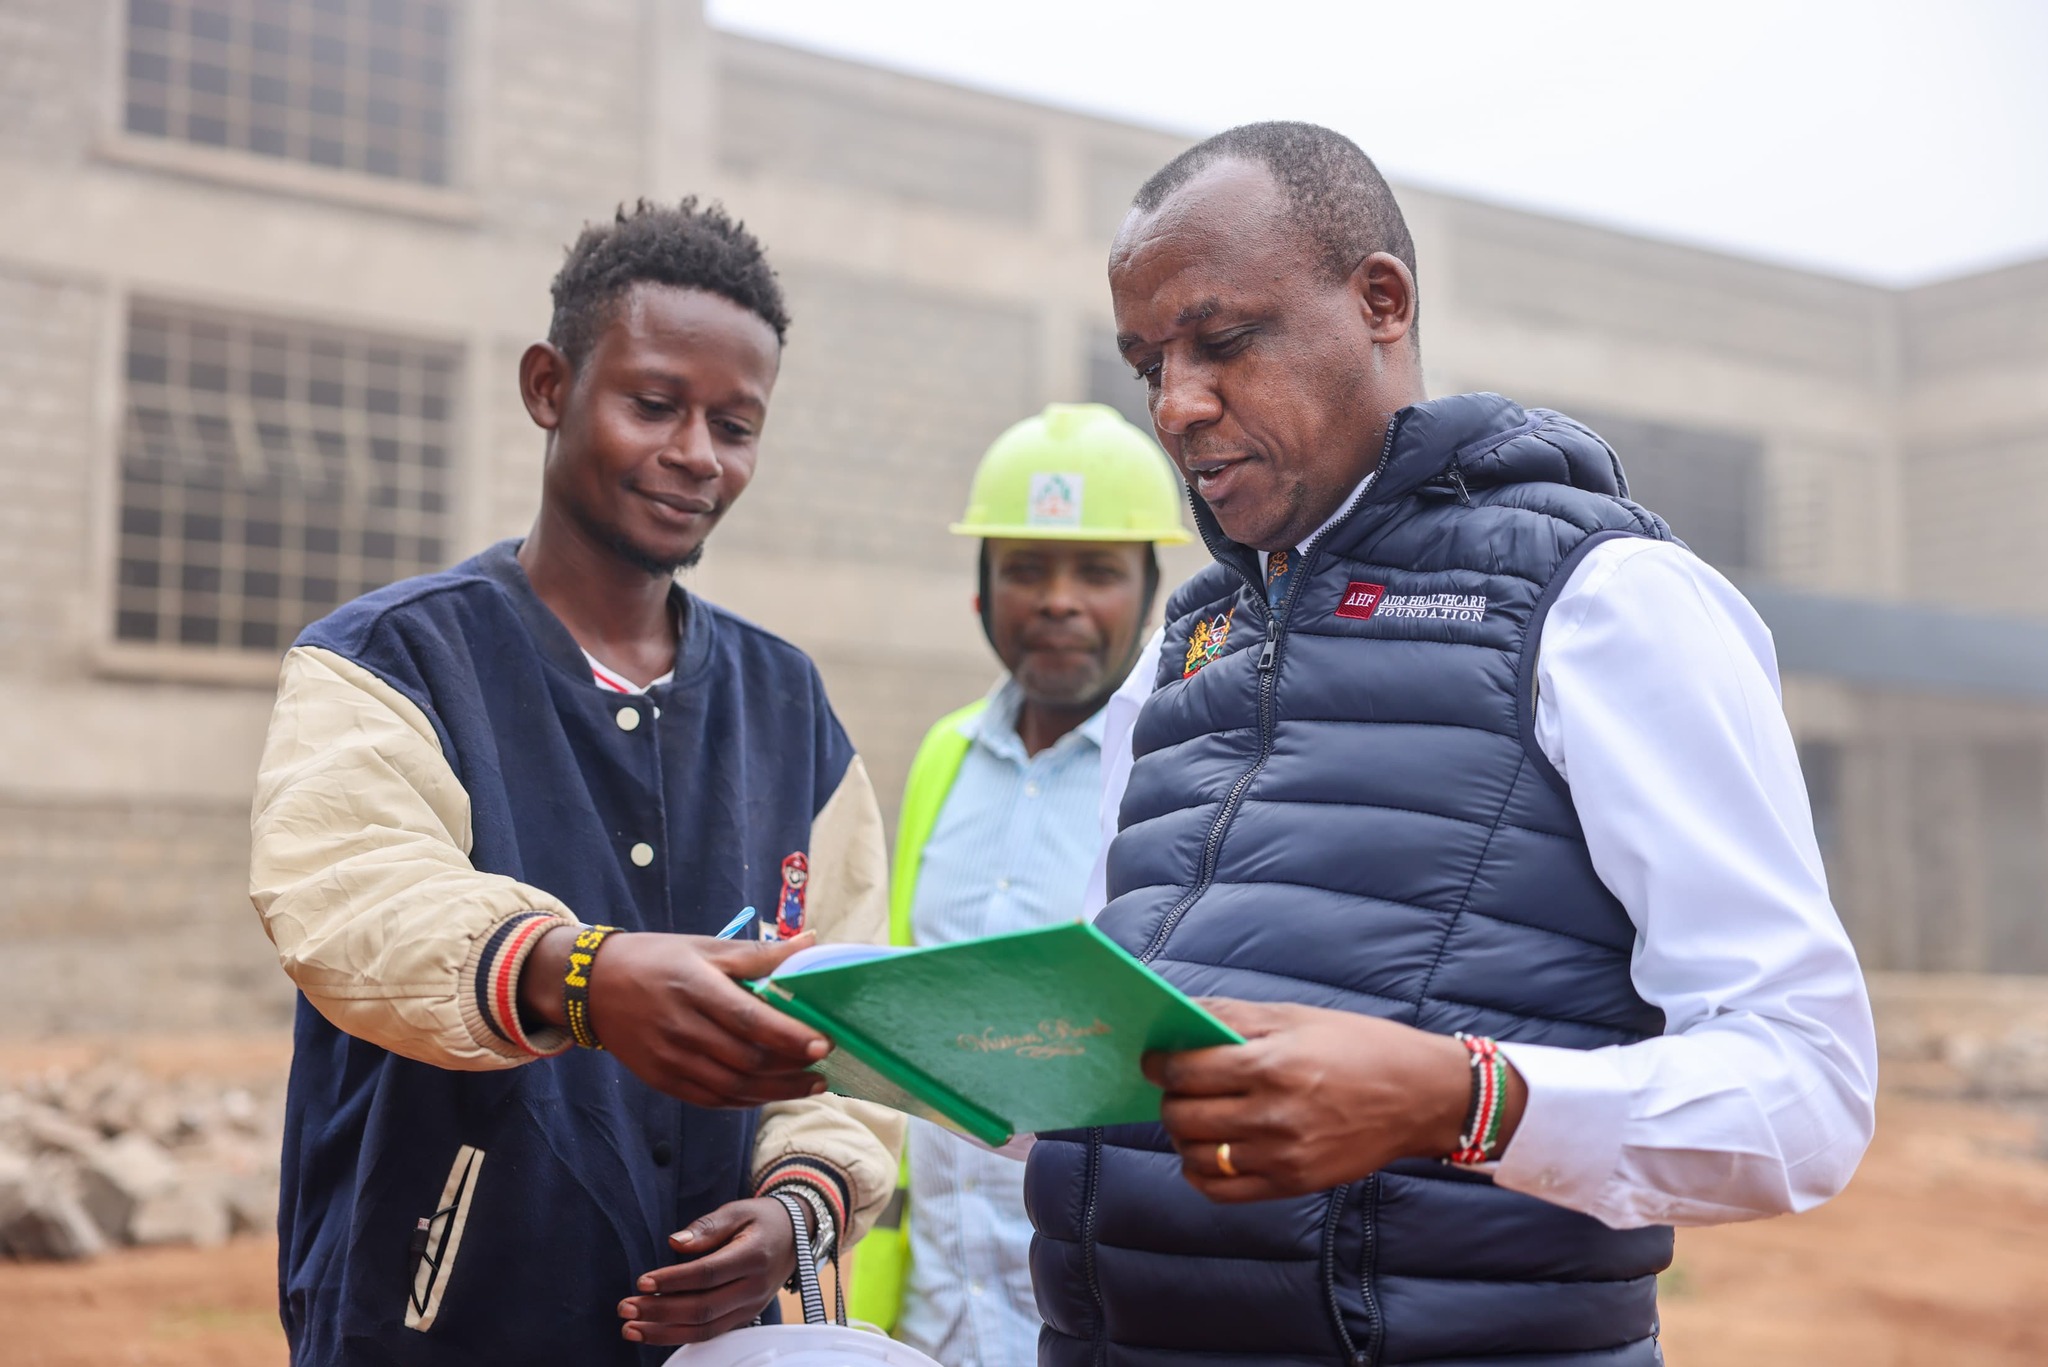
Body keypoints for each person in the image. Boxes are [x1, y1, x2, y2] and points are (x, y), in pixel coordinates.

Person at [1027, 123, 1879, 1367]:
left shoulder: (1602, 602)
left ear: (1380, 302)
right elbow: (1125, 1060)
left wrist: (1459, 1097)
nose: (1174, 403)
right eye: (1145, 360)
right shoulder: (1182, 647)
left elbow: (1803, 1092)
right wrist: (874, 1032)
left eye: (1220, 341)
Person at [249, 199, 903, 1365]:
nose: (695, 452)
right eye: (652, 403)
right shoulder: (387, 660)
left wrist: (793, 1209)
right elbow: (349, 903)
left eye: (735, 423)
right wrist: (580, 974)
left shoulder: (788, 707)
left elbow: (846, 1025)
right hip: (429, 1328)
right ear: (550, 386)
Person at [847, 404, 1189, 1366]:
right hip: (926, 1307)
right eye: (1026, 569)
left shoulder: (1175, 767)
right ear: (980, 589)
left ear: (1151, 592)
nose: (1058, 601)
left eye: (1097, 572)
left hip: (1093, 1306)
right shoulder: (943, 756)